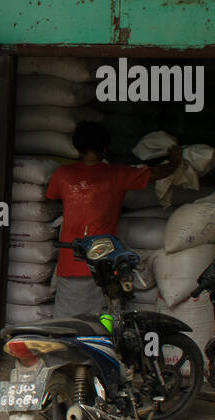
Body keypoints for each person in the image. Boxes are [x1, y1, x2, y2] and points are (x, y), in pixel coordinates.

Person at [46, 121, 182, 319]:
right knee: (105, 320)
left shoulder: (62, 174)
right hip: (104, 262)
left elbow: (53, 197)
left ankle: (70, 348)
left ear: (76, 148)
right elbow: (155, 173)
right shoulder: (117, 174)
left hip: (70, 259)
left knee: (67, 320)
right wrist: (175, 161)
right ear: (105, 148)